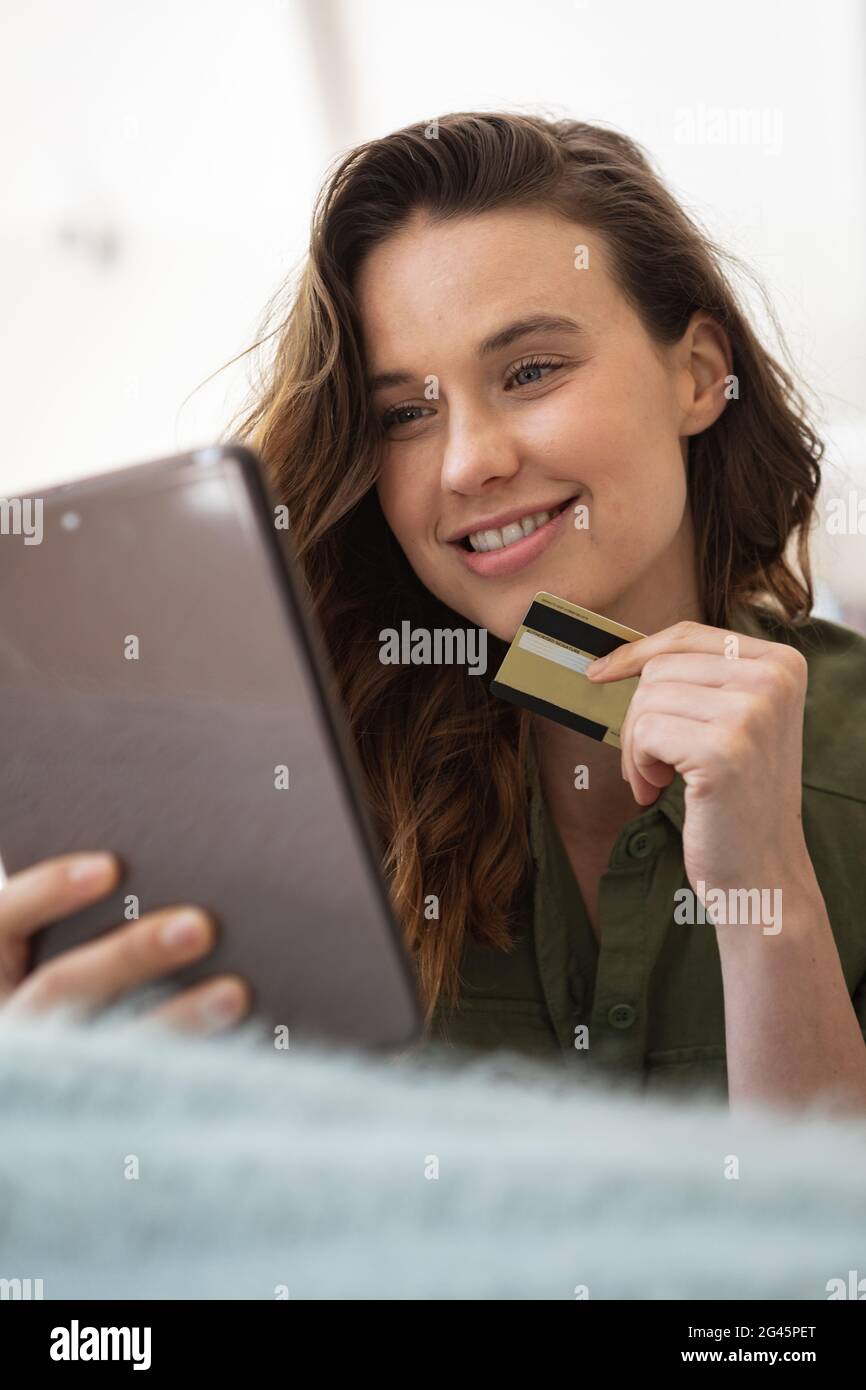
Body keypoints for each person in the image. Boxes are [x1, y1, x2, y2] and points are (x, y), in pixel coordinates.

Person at [3, 113, 866, 1111]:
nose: (467, 462)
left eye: (530, 370)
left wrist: (768, 899)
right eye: (404, 415)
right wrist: (42, 1097)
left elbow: (819, 1259)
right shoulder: (293, 779)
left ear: (695, 371)